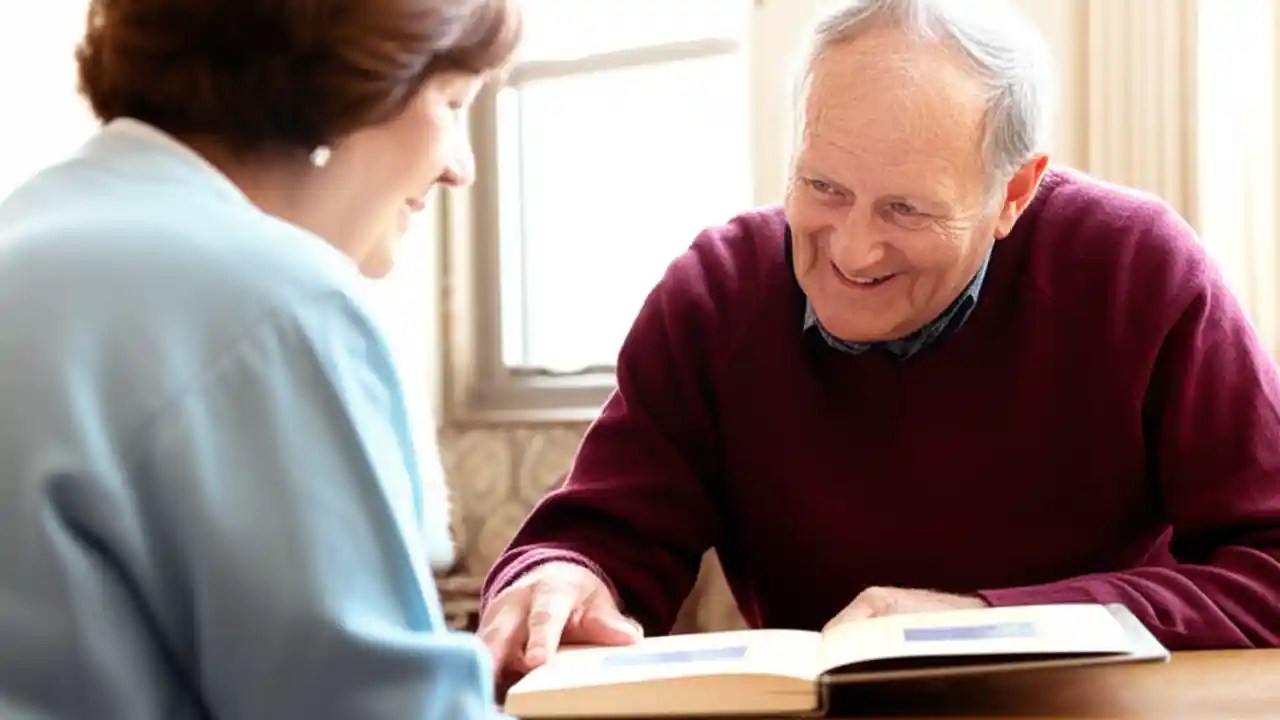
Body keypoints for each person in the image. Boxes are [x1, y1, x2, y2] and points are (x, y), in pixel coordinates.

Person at [478, 0, 1280, 687]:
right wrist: (562, 576)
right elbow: (599, 535)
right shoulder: (716, 295)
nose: (852, 252)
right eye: (823, 188)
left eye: (907, 211)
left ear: (1014, 193)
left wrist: (981, 624)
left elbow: (1269, 565)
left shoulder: (1136, 268)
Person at [0, 0, 519, 718]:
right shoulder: (278, 305)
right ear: (348, 84)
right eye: (454, 102)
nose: (460, 167)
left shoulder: (27, 239)